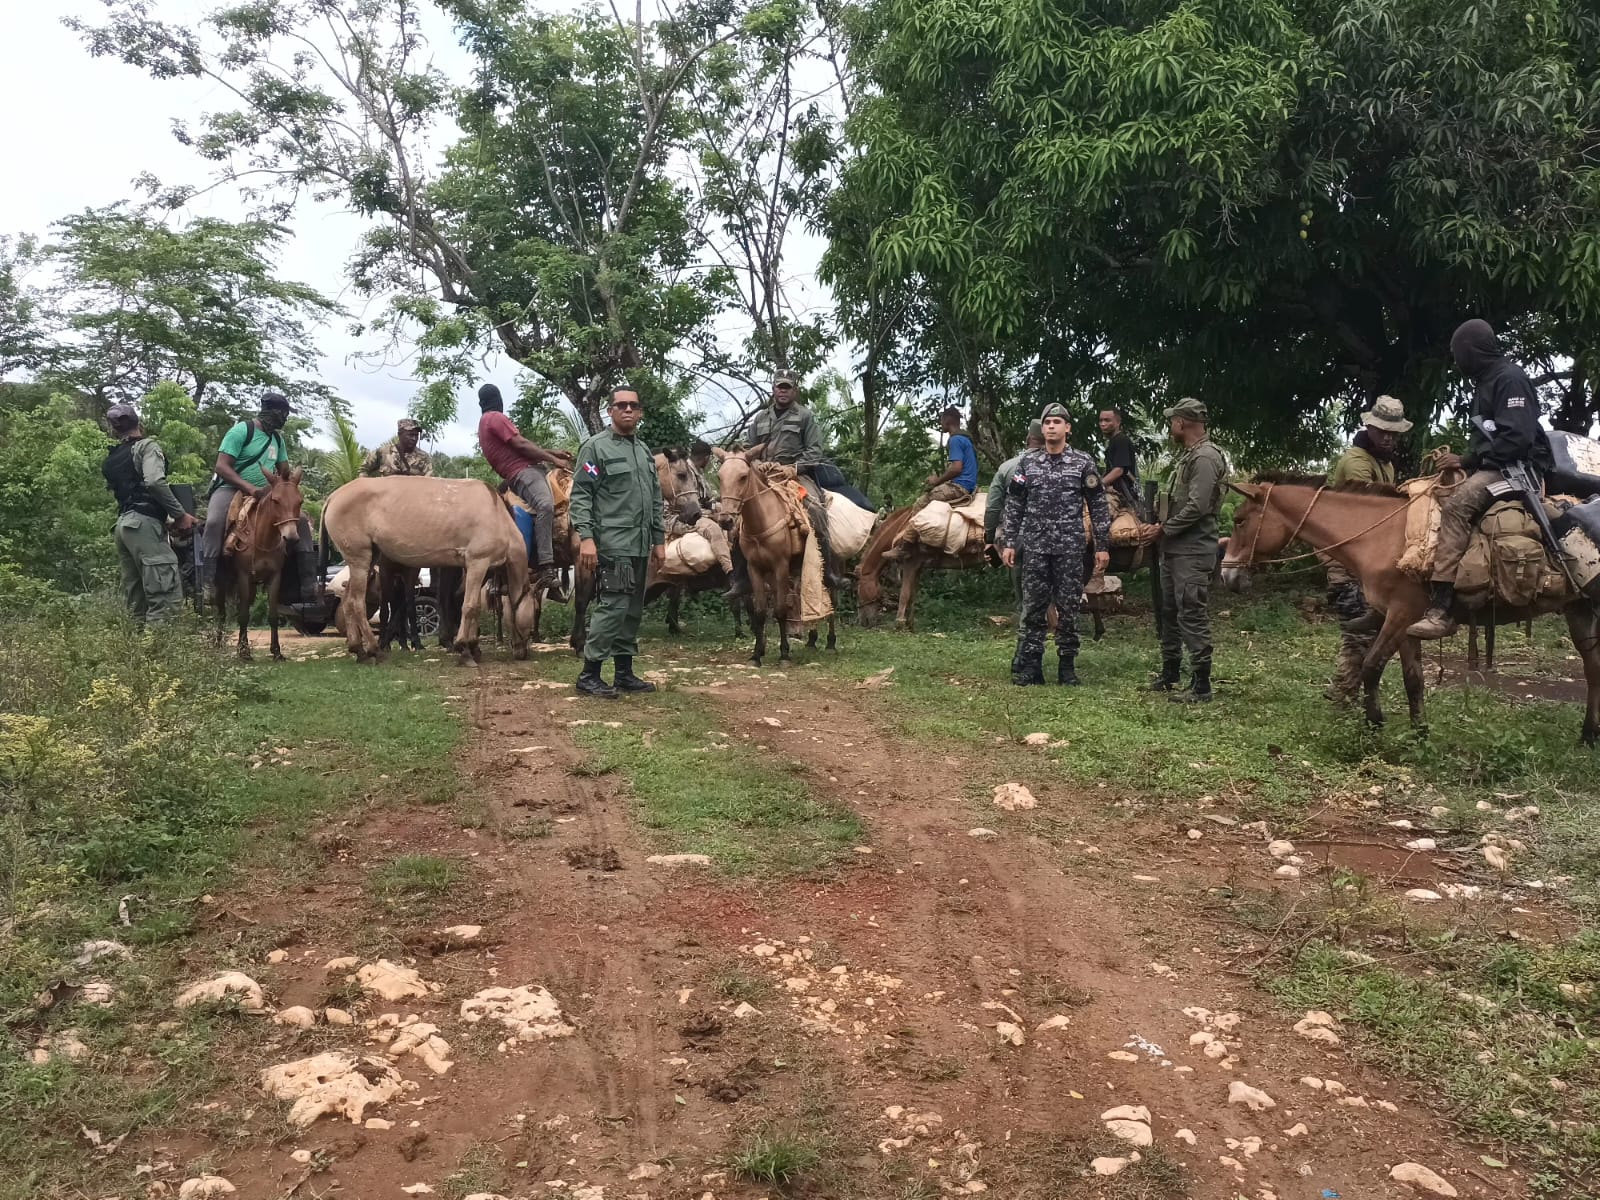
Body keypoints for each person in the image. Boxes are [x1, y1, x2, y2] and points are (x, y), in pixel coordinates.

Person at [1409, 319, 1555, 639]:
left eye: (1457, 353)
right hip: (1496, 466)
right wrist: (1463, 462)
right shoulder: (1486, 382)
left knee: (1457, 507)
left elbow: (1516, 439)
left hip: (1518, 471)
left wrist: (1466, 460)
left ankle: (1442, 609)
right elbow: (1486, 439)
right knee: (1438, 496)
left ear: (1471, 350)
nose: (1456, 360)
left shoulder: (1509, 379)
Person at [1001, 404, 1112, 686]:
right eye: (1047, 422)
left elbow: (1098, 506)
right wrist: (1010, 541)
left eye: (1057, 422)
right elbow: (1014, 504)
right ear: (1043, 428)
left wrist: (1102, 545)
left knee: (1069, 608)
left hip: (1069, 549)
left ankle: (1067, 668)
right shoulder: (1027, 463)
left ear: (1067, 428)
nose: (1051, 426)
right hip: (1036, 548)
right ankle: (1031, 668)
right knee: (1033, 609)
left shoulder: (1082, 462)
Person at [570, 389, 666, 699]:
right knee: (614, 605)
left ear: (640, 412)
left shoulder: (643, 451)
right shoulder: (595, 449)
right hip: (614, 545)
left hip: (640, 545)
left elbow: (654, 498)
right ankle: (590, 674)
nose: (628, 410)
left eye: (633, 406)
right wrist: (586, 538)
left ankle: (624, 673)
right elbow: (581, 494)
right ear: (610, 411)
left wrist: (658, 540)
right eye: (621, 405)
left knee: (632, 609)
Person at [1137, 397, 1227, 702]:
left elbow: (1198, 506)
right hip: (1175, 548)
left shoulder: (1205, 458)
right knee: (1170, 610)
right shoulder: (1190, 455)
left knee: (1191, 612)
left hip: (1193, 549)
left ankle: (1201, 685)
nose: (1170, 426)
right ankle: (1171, 672)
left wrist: (1163, 529)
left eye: (1172, 421)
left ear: (1182, 422)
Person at [1324, 396, 1411, 701]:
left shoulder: (1384, 461)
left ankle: (1351, 690)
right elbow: (1372, 510)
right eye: (1383, 431)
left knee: (1372, 627)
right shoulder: (1357, 462)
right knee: (1359, 630)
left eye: (1393, 433)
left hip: (1366, 557)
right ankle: (1343, 692)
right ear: (1370, 428)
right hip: (1346, 558)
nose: (1388, 438)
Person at [742, 370, 840, 586]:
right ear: (773, 389)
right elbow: (747, 449)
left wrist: (794, 468)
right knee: (738, 512)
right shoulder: (760, 418)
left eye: (787, 387)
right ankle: (740, 577)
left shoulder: (805, 416)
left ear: (794, 390)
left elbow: (815, 450)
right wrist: (756, 464)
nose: (783, 391)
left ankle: (827, 571)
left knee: (816, 510)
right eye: (780, 387)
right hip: (763, 477)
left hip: (795, 477)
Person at [103, 402, 195, 625]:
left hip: (123, 527)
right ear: (139, 422)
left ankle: (133, 646)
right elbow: (154, 481)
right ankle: (159, 647)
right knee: (164, 599)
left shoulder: (112, 458)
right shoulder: (147, 446)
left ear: (113, 429)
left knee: (136, 602)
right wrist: (180, 514)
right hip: (143, 526)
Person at [477, 383, 573, 593]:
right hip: (524, 472)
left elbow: (518, 447)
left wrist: (552, 453)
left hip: (522, 470)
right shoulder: (495, 417)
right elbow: (520, 444)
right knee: (545, 505)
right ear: (497, 399)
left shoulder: (485, 423)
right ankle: (546, 566)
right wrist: (555, 461)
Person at [202, 391, 292, 595]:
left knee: (300, 521)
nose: (285, 418)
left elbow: (284, 471)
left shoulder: (277, 440)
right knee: (214, 522)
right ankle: (208, 579)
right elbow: (221, 466)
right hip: (231, 489)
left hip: (266, 494)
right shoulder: (242, 431)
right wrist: (250, 488)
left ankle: (304, 580)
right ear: (271, 411)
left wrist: (288, 485)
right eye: (284, 413)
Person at [985, 420, 1044, 623]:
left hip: (1018, 534)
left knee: (1018, 564)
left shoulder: (1008, 467)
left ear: (1028, 439)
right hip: (1053, 533)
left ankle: (1023, 611)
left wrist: (989, 537)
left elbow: (993, 507)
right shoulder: (1062, 464)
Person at [361, 418, 434, 478]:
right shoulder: (383, 452)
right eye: (410, 435)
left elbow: (429, 482)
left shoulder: (424, 458)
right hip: (387, 491)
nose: (414, 438)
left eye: (416, 435)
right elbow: (363, 469)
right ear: (399, 434)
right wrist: (369, 488)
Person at [1099, 408, 1140, 511]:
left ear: (1118, 422)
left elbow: (1118, 470)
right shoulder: (1114, 441)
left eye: (1107, 420)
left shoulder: (1121, 440)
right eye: (1101, 420)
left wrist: (1098, 485)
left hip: (1122, 495)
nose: (1103, 424)